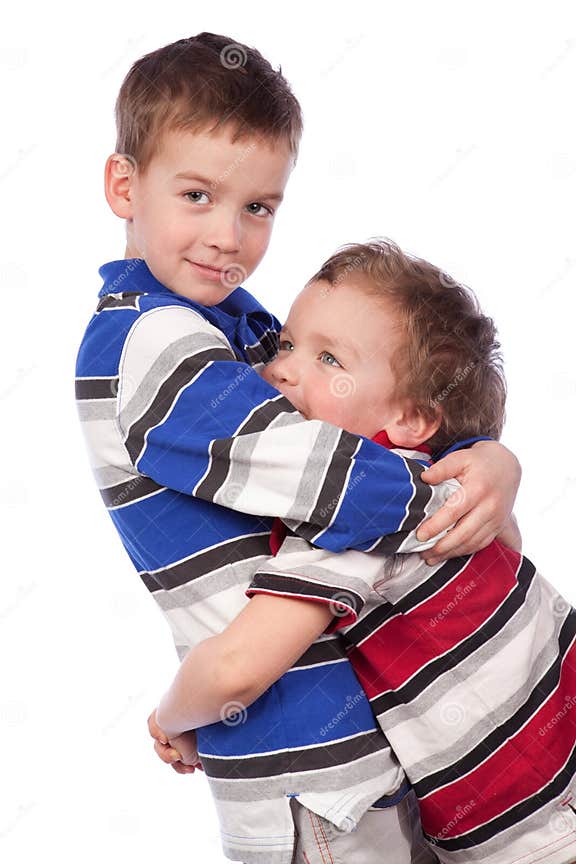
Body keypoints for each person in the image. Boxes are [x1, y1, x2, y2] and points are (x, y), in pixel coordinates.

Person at [75, 33, 521, 864]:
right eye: (198, 195)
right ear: (124, 185)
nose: (228, 235)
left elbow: (371, 416)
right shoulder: (149, 346)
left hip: (367, 744)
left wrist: (491, 458)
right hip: (304, 775)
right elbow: (333, 474)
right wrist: (463, 488)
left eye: (258, 207)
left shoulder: (235, 327)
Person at [154, 238, 576, 864]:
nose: (283, 368)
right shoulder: (442, 482)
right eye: (289, 344)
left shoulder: (356, 506)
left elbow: (236, 669)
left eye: (329, 358)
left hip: (537, 832)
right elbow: (511, 547)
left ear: (412, 419)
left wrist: (173, 718)